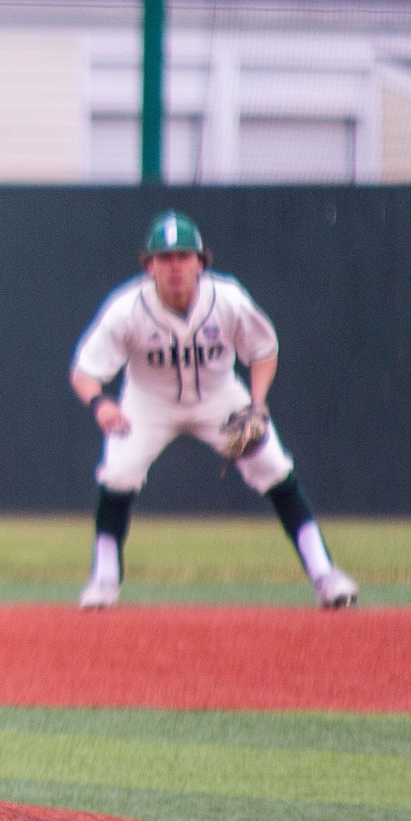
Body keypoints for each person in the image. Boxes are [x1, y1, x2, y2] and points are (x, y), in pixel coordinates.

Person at [69, 210, 358, 610]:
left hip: (220, 397)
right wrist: (101, 404)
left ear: (201, 262)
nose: (174, 267)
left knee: (274, 467)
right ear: (148, 265)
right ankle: (104, 579)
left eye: (183, 257)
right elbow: (85, 372)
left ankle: (325, 573)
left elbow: (263, 351)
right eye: (165, 258)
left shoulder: (227, 299)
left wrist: (257, 405)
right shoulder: (126, 308)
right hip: (148, 402)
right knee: (118, 474)